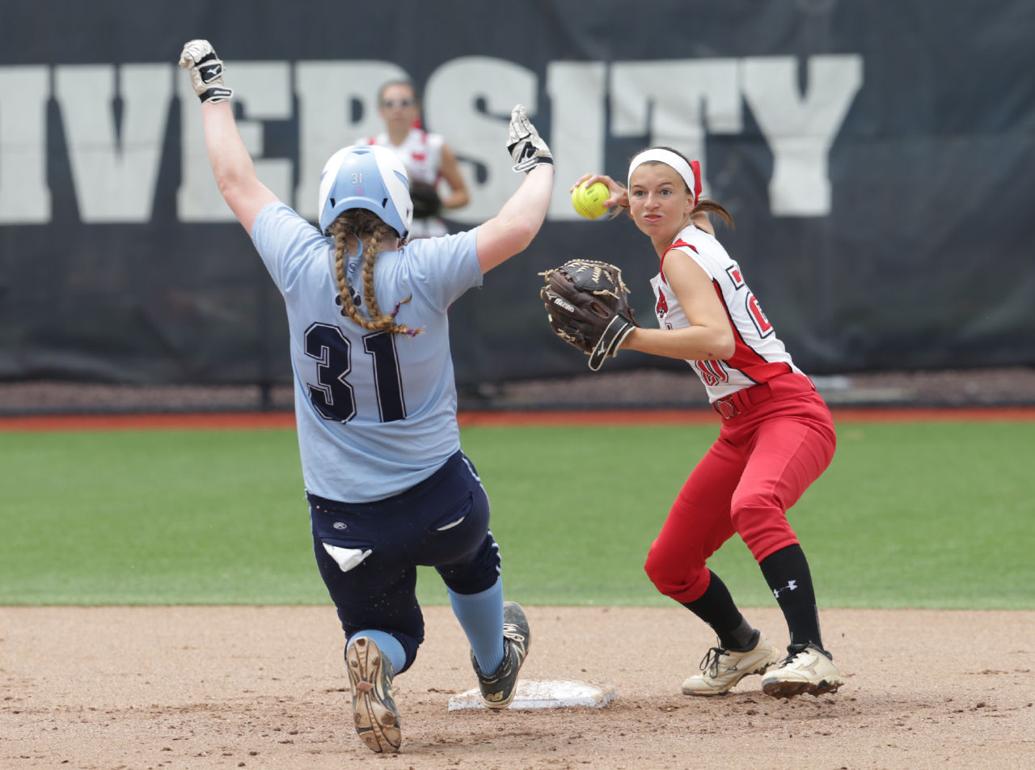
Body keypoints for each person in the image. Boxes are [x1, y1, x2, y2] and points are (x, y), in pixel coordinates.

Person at [178, 40, 554, 753]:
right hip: (440, 500)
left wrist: (213, 95)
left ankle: (375, 656)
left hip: (342, 521)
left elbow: (234, 180)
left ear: (325, 205)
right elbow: (518, 225)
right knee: (472, 558)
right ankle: (493, 666)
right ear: (399, 202)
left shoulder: (297, 260)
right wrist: (537, 166)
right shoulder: (429, 266)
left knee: (385, 624)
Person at [573, 148, 844, 699]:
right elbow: (666, 210)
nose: (651, 202)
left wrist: (630, 337)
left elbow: (718, 339)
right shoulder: (691, 235)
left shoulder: (681, 256)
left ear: (691, 200)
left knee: (754, 504)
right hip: (739, 425)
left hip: (787, 409)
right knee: (669, 564)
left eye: (665, 192)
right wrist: (629, 199)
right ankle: (742, 645)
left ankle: (810, 652)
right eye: (642, 192)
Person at [360, 79, 470, 239]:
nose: (397, 109)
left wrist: (436, 205)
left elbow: (462, 194)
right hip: (381, 238)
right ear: (380, 110)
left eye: (404, 103)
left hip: (425, 236)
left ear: (416, 109)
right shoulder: (366, 148)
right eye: (389, 103)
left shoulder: (434, 145)